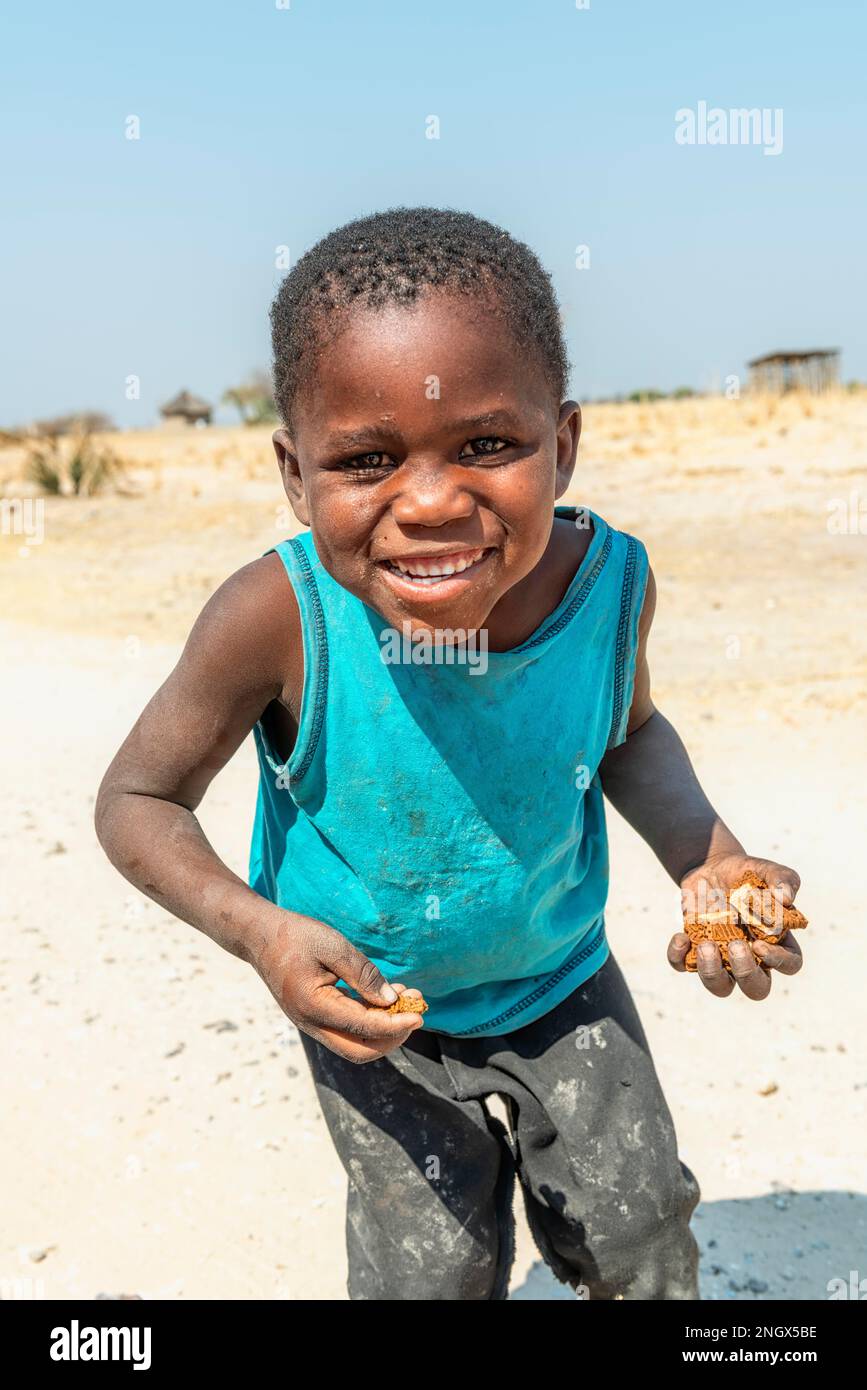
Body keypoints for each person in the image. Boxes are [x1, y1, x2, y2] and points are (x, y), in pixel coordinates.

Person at [95, 207, 804, 1300]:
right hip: (376, 1018)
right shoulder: (279, 618)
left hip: (564, 983)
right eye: (367, 459)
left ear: (561, 445)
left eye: (485, 445)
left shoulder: (610, 587)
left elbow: (628, 734)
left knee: (642, 1234)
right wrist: (262, 933)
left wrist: (711, 859)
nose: (429, 502)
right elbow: (138, 797)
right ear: (295, 474)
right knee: (434, 1273)